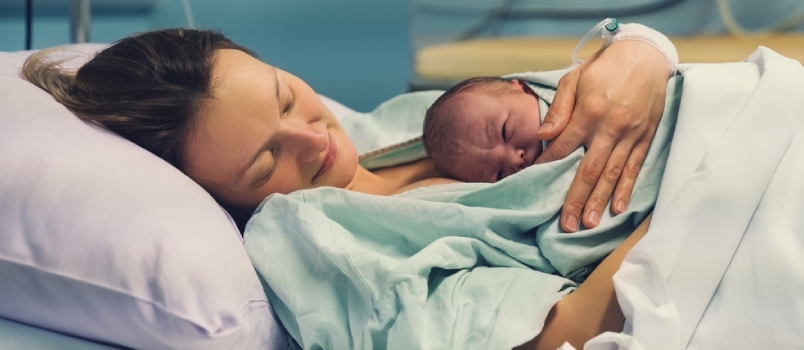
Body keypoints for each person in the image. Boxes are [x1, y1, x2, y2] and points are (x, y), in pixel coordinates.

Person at [22, 27, 672, 349]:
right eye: (265, 160)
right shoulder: (319, 243)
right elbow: (563, 333)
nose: (316, 140)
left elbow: (592, 80)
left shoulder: (390, 126)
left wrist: (643, 51)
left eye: (284, 96)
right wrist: (684, 200)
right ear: (227, 197)